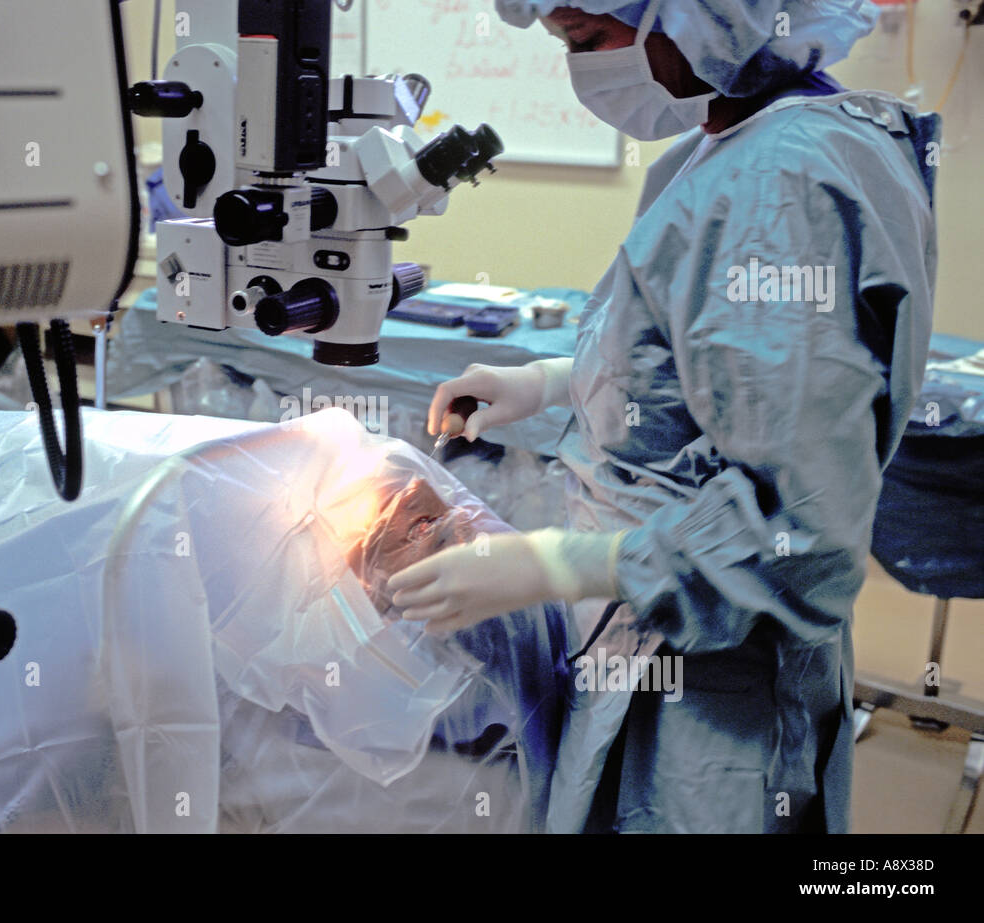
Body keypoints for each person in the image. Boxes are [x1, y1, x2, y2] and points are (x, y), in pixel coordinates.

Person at [386, 0, 940, 833]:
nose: (577, 67)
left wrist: (556, 563)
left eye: (584, 37)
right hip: (652, 651)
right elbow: (704, 363)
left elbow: (803, 535)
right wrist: (551, 380)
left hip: (715, 694)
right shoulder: (725, 142)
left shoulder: (787, 181)